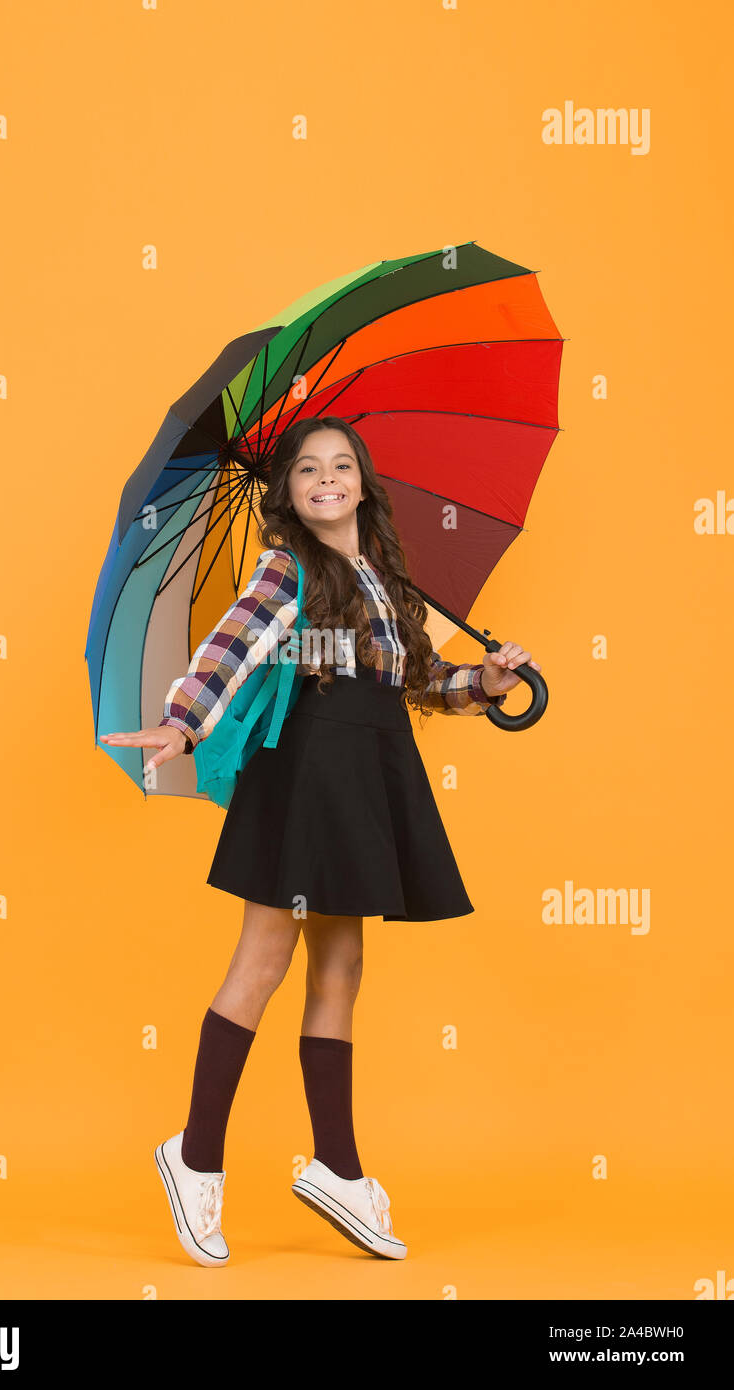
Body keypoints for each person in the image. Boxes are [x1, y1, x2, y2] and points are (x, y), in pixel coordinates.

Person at [100, 416, 542, 1268]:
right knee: (263, 962)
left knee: (342, 967)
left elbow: (416, 683)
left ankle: (337, 1168)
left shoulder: (388, 580)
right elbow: (227, 650)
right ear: (290, 494)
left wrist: (483, 683)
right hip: (308, 773)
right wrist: (181, 725)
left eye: (342, 466)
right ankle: (195, 1156)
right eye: (309, 470)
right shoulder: (286, 568)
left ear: (364, 484)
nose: (328, 479)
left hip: (370, 771)